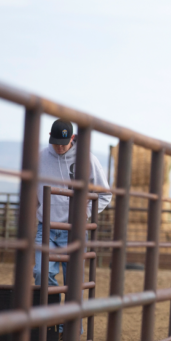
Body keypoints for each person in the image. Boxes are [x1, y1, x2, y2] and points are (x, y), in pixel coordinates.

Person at [35, 119, 112, 295]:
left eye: (64, 143)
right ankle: (51, 311)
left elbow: (105, 194)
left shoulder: (87, 159)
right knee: (41, 273)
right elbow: (31, 189)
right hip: (46, 228)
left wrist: (85, 213)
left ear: (72, 138)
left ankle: (70, 315)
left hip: (74, 230)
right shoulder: (39, 158)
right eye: (56, 143)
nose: (59, 147)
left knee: (73, 282)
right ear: (50, 136)